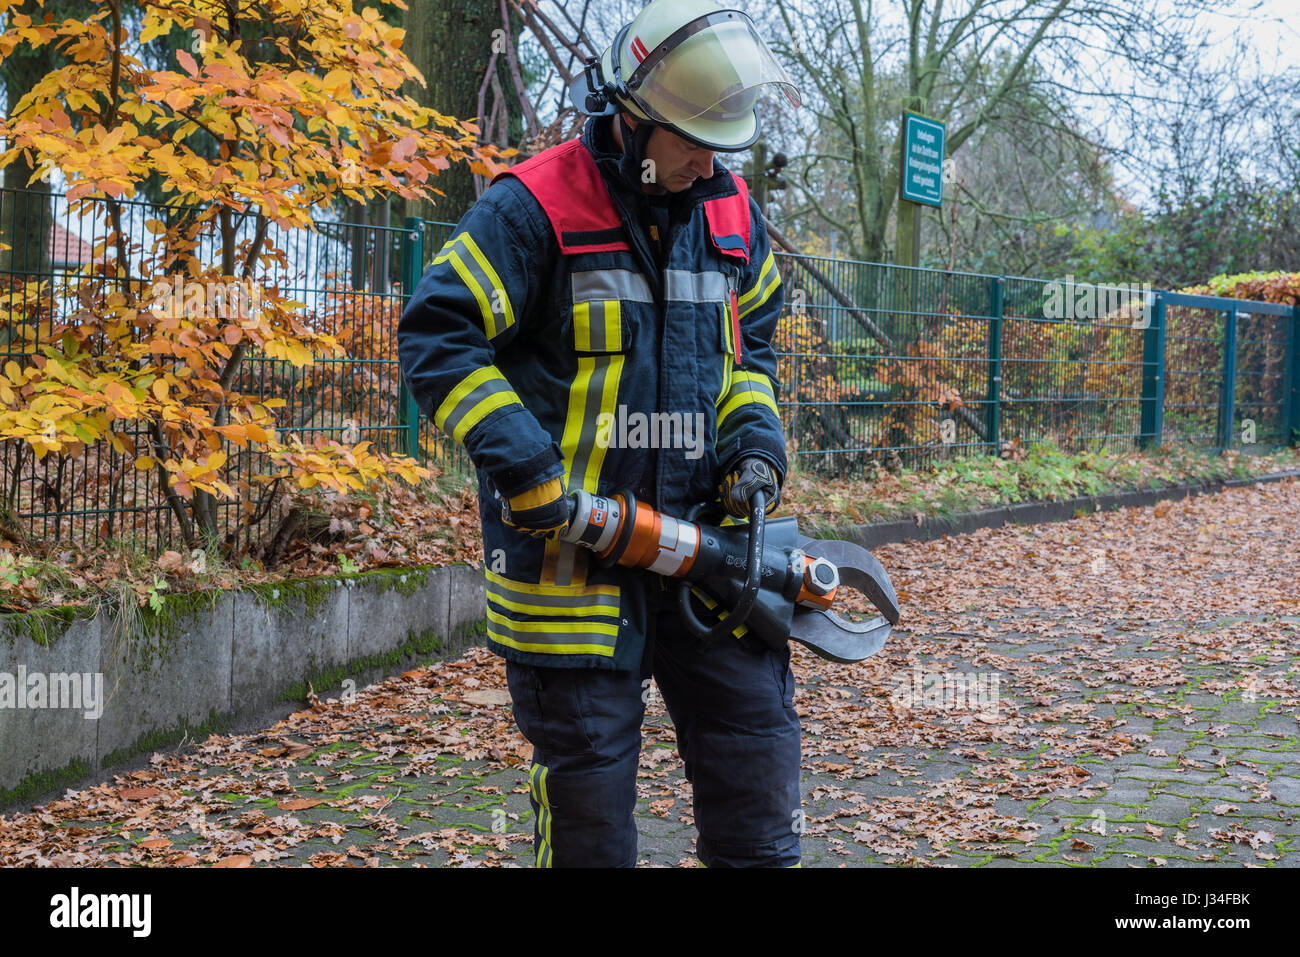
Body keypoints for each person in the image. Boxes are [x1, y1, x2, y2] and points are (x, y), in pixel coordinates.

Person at [397, 0, 804, 867]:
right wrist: (525, 468)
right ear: (631, 118)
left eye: (719, 143)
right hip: (569, 568)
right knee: (588, 825)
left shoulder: (730, 214)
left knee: (758, 795)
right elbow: (439, 332)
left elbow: (752, 344)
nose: (707, 162)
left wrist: (754, 447)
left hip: (707, 559)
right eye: (690, 140)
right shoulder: (533, 208)